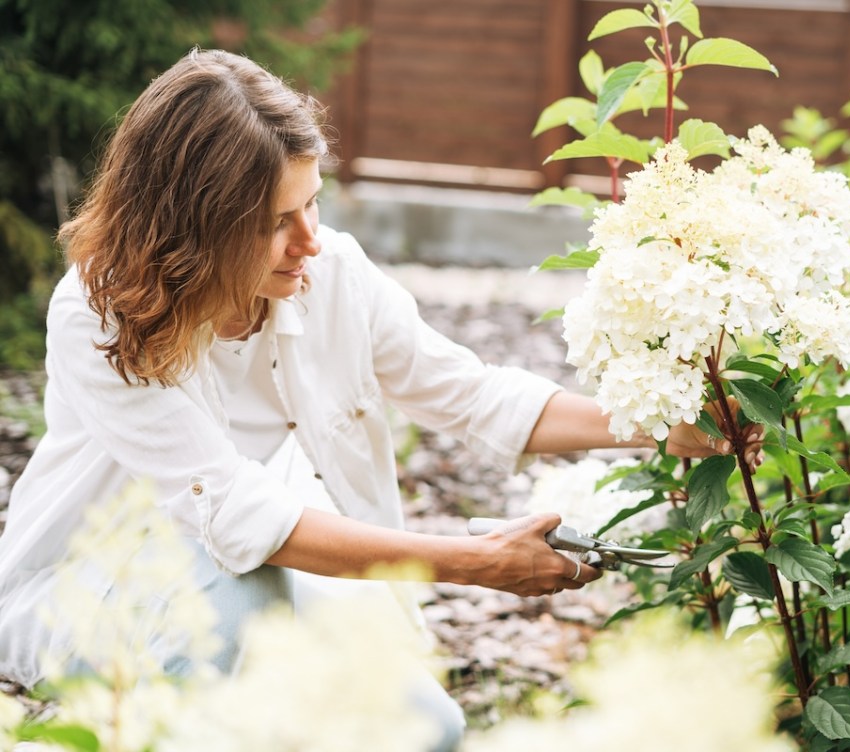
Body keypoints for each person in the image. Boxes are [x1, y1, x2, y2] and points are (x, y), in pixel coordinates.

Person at [0, 48, 763, 747]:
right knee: (239, 604)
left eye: (314, 204)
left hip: (243, 574)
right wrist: (475, 564)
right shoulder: (100, 315)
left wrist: (656, 425)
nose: (310, 240)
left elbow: (469, 394)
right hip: (86, 584)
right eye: (275, 223)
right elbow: (239, 519)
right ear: (197, 230)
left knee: (425, 730)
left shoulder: (333, 274)